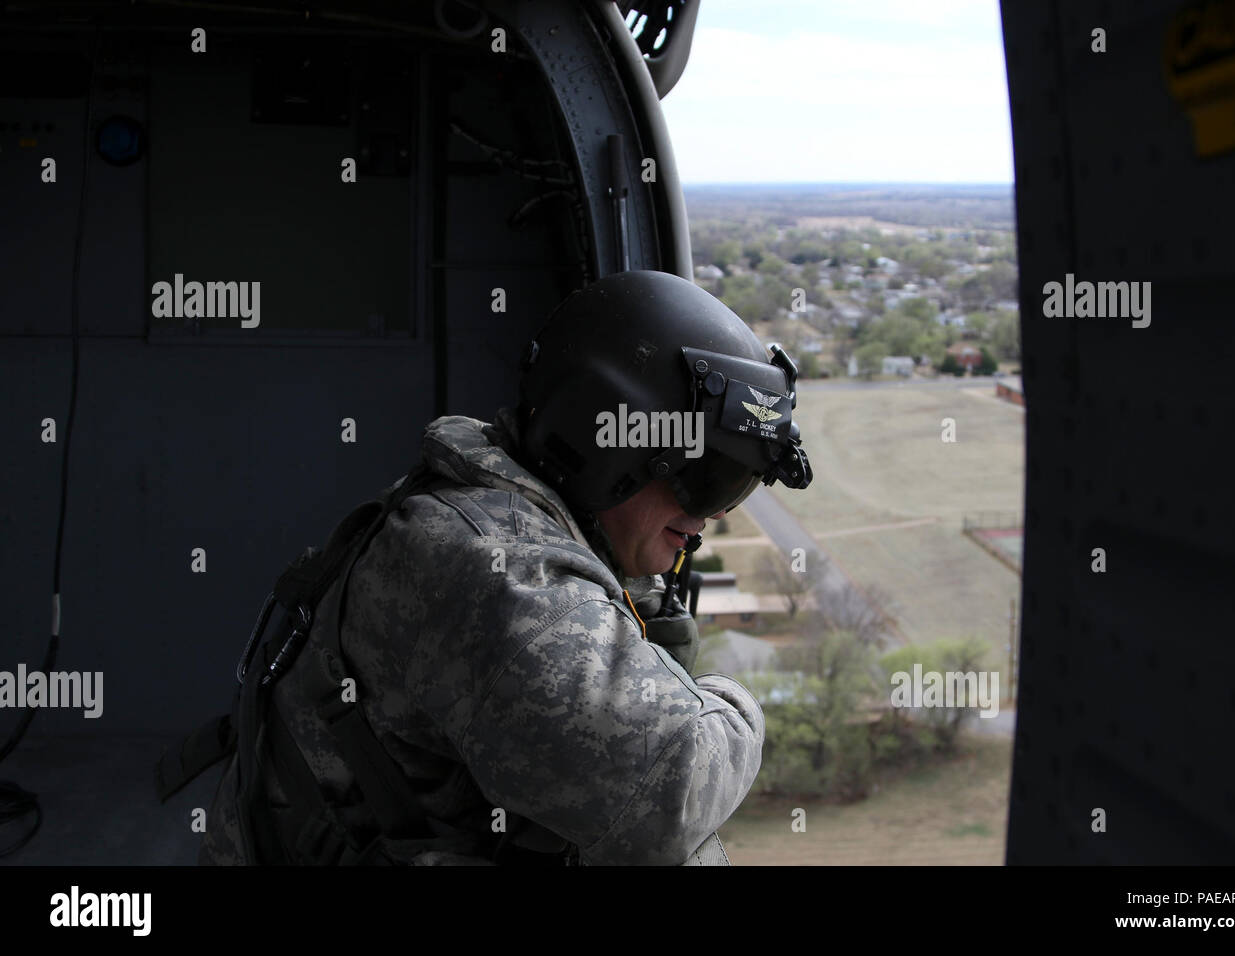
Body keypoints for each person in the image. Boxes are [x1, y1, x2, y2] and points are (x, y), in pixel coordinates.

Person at [191, 269, 812, 865]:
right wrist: (732, 704)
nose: (713, 517)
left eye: (735, 487)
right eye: (705, 481)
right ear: (606, 445)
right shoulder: (498, 571)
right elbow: (668, 795)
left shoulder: (493, 514)